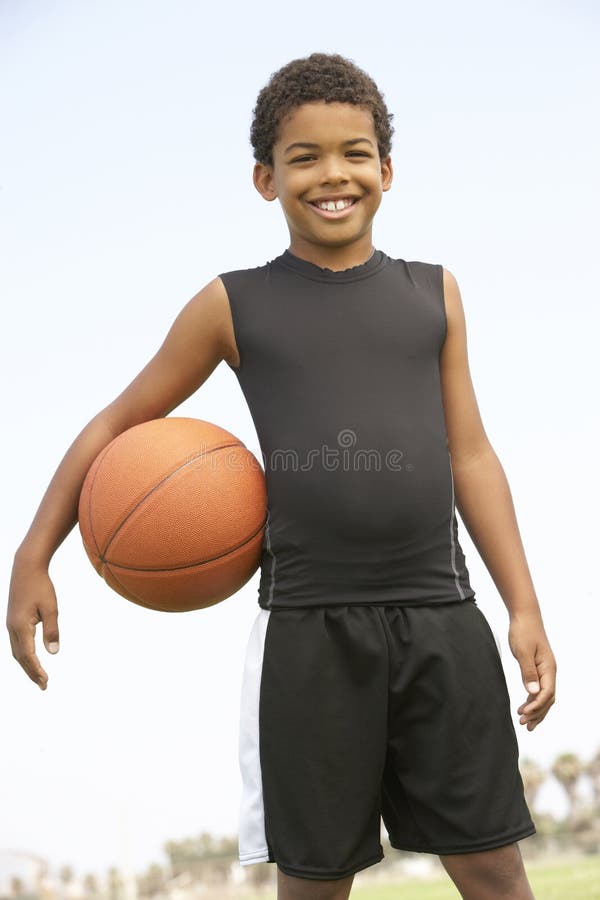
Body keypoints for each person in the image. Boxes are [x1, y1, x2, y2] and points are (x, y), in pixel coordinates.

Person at [7, 51, 556, 900]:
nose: (333, 174)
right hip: (308, 630)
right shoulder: (234, 305)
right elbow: (118, 422)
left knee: (492, 868)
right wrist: (35, 553)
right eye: (305, 157)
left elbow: (473, 456)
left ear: (387, 169)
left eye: (355, 152)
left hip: (442, 614)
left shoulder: (433, 294)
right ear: (265, 179)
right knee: (313, 880)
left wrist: (523, 606)